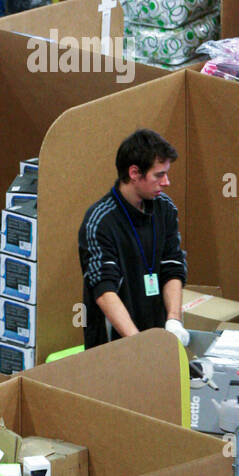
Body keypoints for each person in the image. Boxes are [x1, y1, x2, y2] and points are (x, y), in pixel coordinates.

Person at [78, 128, 190, 350]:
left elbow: (172, 266)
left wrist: (174, 319)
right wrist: (137, 343)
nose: (166, 182)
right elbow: (103, 290)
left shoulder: (165, 209)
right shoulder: (100, 221)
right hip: (114, 343)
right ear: (134, 173)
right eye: (159, 175)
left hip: (155, 332)